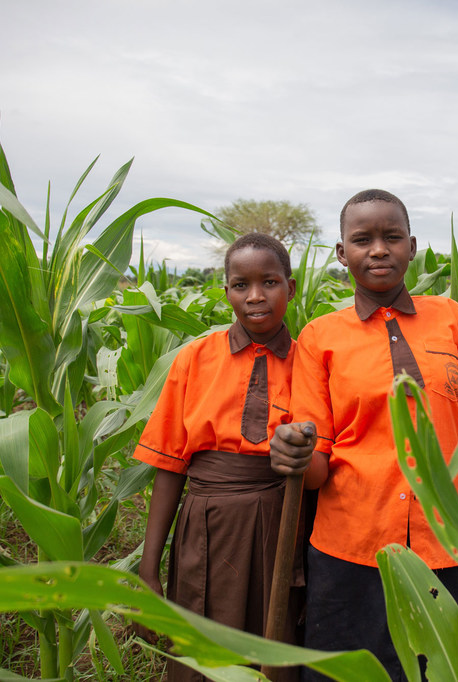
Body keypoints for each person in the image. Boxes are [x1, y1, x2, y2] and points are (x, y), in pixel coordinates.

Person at [270, 189, 458, 682]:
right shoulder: (319, 337)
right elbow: (317, 468)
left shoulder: (453, 319)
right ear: (342, 253)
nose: (378, 249)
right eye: (362, 240)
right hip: (350, 553)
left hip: (449, 547)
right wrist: (293, 453)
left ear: (412, 247)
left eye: (392, 237)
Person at [135, 232, 300, 682]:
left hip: (282, 523)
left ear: (290, 287)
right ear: (226, 291)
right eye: (240, 285)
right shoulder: (194, 358)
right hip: (206, 523)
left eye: (269, 282)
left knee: (275, 641)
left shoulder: (309, 362)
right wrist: (148, 570)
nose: (255, 296)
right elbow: (170, 465)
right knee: (203, 646)